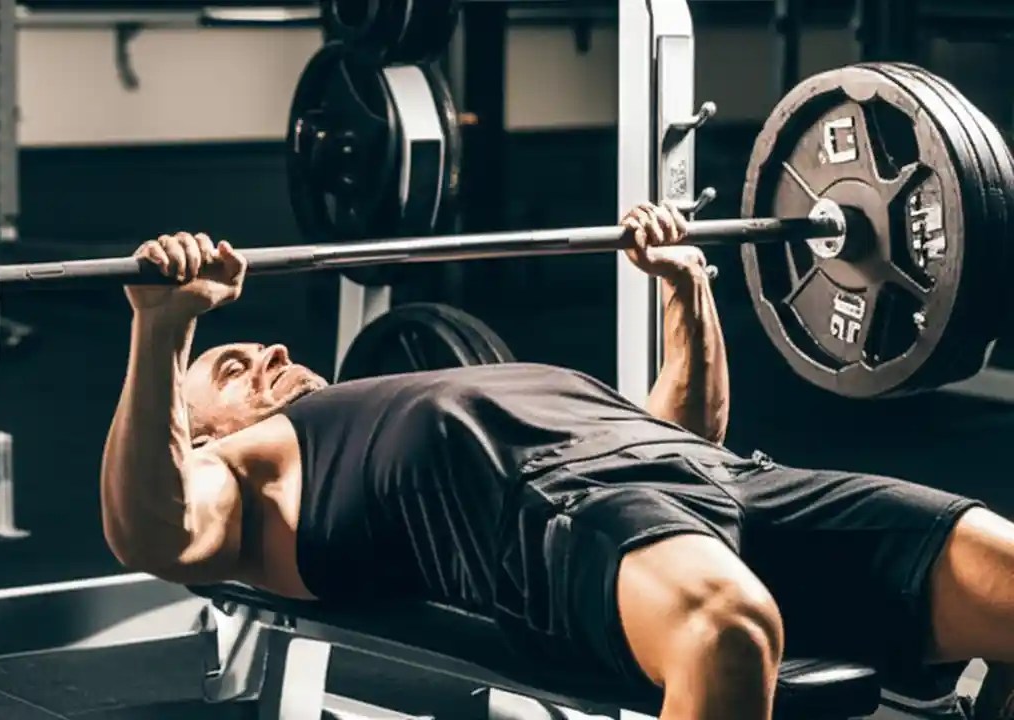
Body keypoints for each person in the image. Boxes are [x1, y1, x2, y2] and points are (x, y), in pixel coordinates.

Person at [100, 203, 1014, 720]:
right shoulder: (258, 467)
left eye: (261, 350)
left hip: (719, 480)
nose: (264, 356)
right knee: (726, 629)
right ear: (201, 434)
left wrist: (687, 289)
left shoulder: (406, 393)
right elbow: (151, 529)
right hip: (563, 511)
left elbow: (687, 432)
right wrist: (162, 331)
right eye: (229, 366)